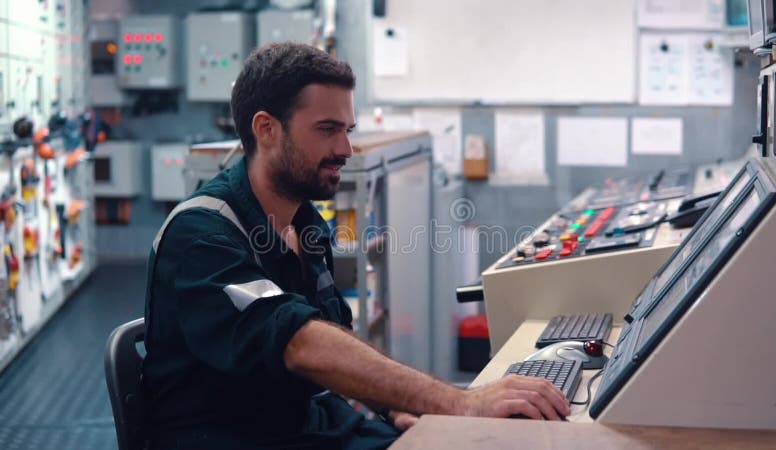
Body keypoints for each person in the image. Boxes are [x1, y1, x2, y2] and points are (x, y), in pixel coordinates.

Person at [142, 42, 570, 450]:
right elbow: (299, 341)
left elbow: (332, 333)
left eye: (347, 130)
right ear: (267, 129)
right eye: (328, 130)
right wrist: (460, 402)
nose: (346, 149)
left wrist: (395, 405)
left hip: (310, 426)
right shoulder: (202, 235)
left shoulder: (304, 223)